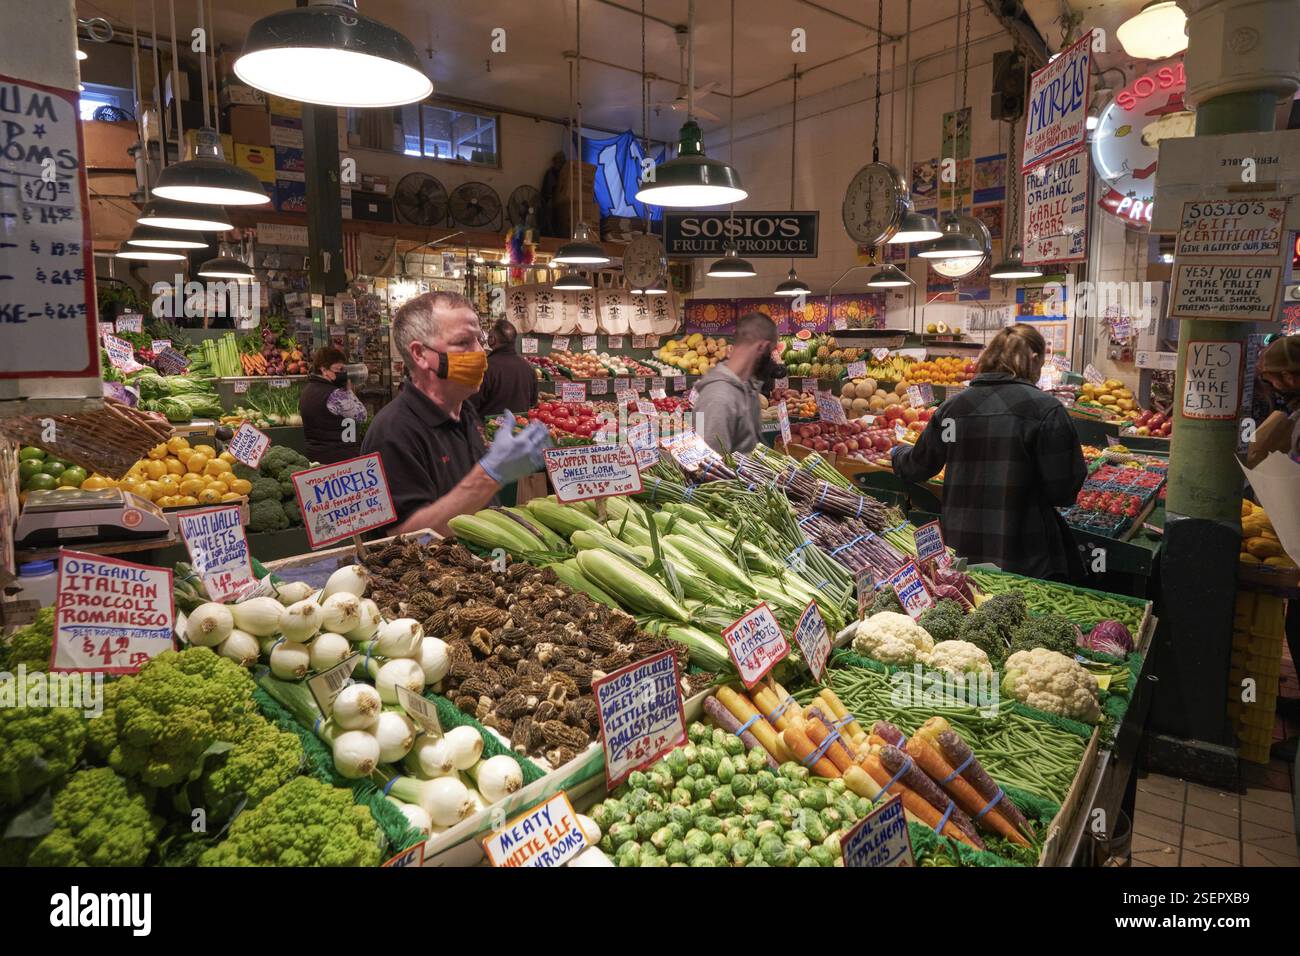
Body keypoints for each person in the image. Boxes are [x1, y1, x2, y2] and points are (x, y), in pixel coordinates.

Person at [891, 323, 1087, 580]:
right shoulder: (1047, 411)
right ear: (1035, 359)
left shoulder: (953, 408)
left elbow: (918, 466)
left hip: (962, 547)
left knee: (971, 607)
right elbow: (1063, 491)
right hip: (1024, 553)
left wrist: (895, 453)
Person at [360, 291, 550, 536]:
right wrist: (490, 474)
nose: (480, 352)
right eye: (463, 343)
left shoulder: (465, 411)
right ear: (420, 354)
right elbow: (401, 538)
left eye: (480, 340)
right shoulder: (393, 432)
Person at [693, 312, 782, 455]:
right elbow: (707, 464)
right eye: (771, 352)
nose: (772, 362)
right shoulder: (718, 398)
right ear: (761, 347)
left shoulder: (746, 387)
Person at [298, 347, 368, 465]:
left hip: (315, 456)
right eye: (339, 369)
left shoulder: (307, 390)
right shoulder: (335, 394)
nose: (343, 373)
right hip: (339, 459)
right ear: (324, 370)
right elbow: (361, 416)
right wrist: (348, 390)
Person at [470, 318, 538, 416]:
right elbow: (533, 401)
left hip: (490, 428)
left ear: (492, 340)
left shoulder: (485, 367)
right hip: (521, 426)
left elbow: (472, 404)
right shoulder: (528, 367)